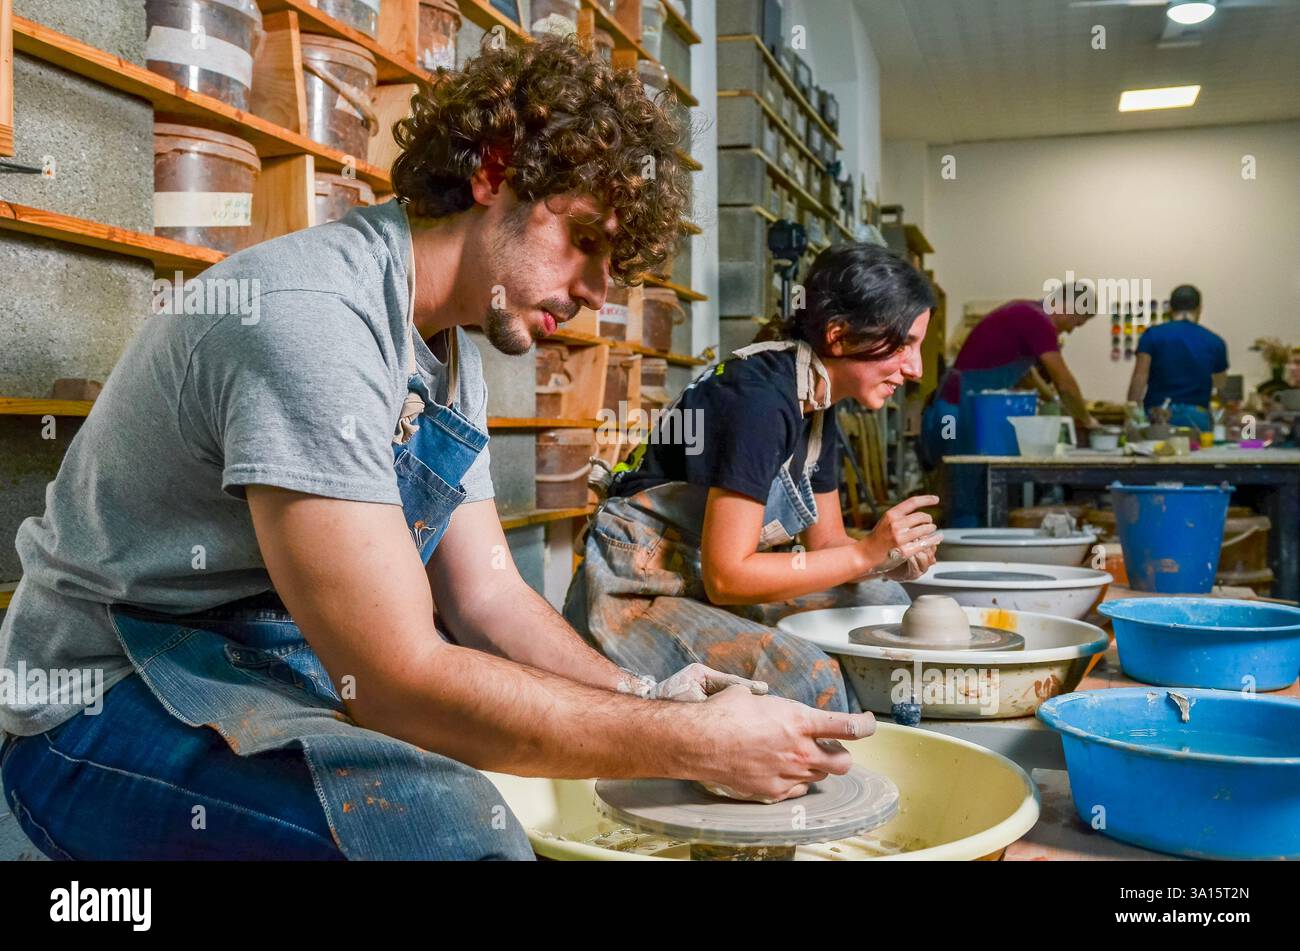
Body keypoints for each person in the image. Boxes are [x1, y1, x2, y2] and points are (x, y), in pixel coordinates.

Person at [0, 38, 874, 861]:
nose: (599, 293)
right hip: (102, 694)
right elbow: (391, 677)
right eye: (587, 241)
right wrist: (680, 741)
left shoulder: (450, 350)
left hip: (267, 669)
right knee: (459, 834)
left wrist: (651, 697)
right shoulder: (312, 319)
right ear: (496, 174)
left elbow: (489, 597)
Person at [565, 244, 942, 714]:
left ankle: (877, 743)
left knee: (884, 598)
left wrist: (885, 560)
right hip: (637, 588)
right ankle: (841, 775)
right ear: (840, 336)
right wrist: (865, 553)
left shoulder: (817, 406)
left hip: (698, 575)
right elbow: (729, 576)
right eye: (904, 344)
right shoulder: (760, 401)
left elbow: (827, 544)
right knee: (809, 676)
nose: (916, 369)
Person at [920, 291, 1098, 525]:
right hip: (954, 411)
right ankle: (962, 553)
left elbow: (1028, 375)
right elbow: (1064, 382)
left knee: (974, 486)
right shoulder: (1037, 319)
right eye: (1076, 322)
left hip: (965, 406)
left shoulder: (1027, 312)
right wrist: (1087, 420)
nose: (1071, 330)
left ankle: (974, 546)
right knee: (964, 487)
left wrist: (1052, 401)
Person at [1126, 284, 1227, 431]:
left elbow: (1139, 377)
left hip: (1159, 416)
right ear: (1199, 309)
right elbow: (1219, 386)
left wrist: (1131, 414)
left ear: (1170, 308)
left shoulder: (1152, 336)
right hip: (1198, 419)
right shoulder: (1215, 342)